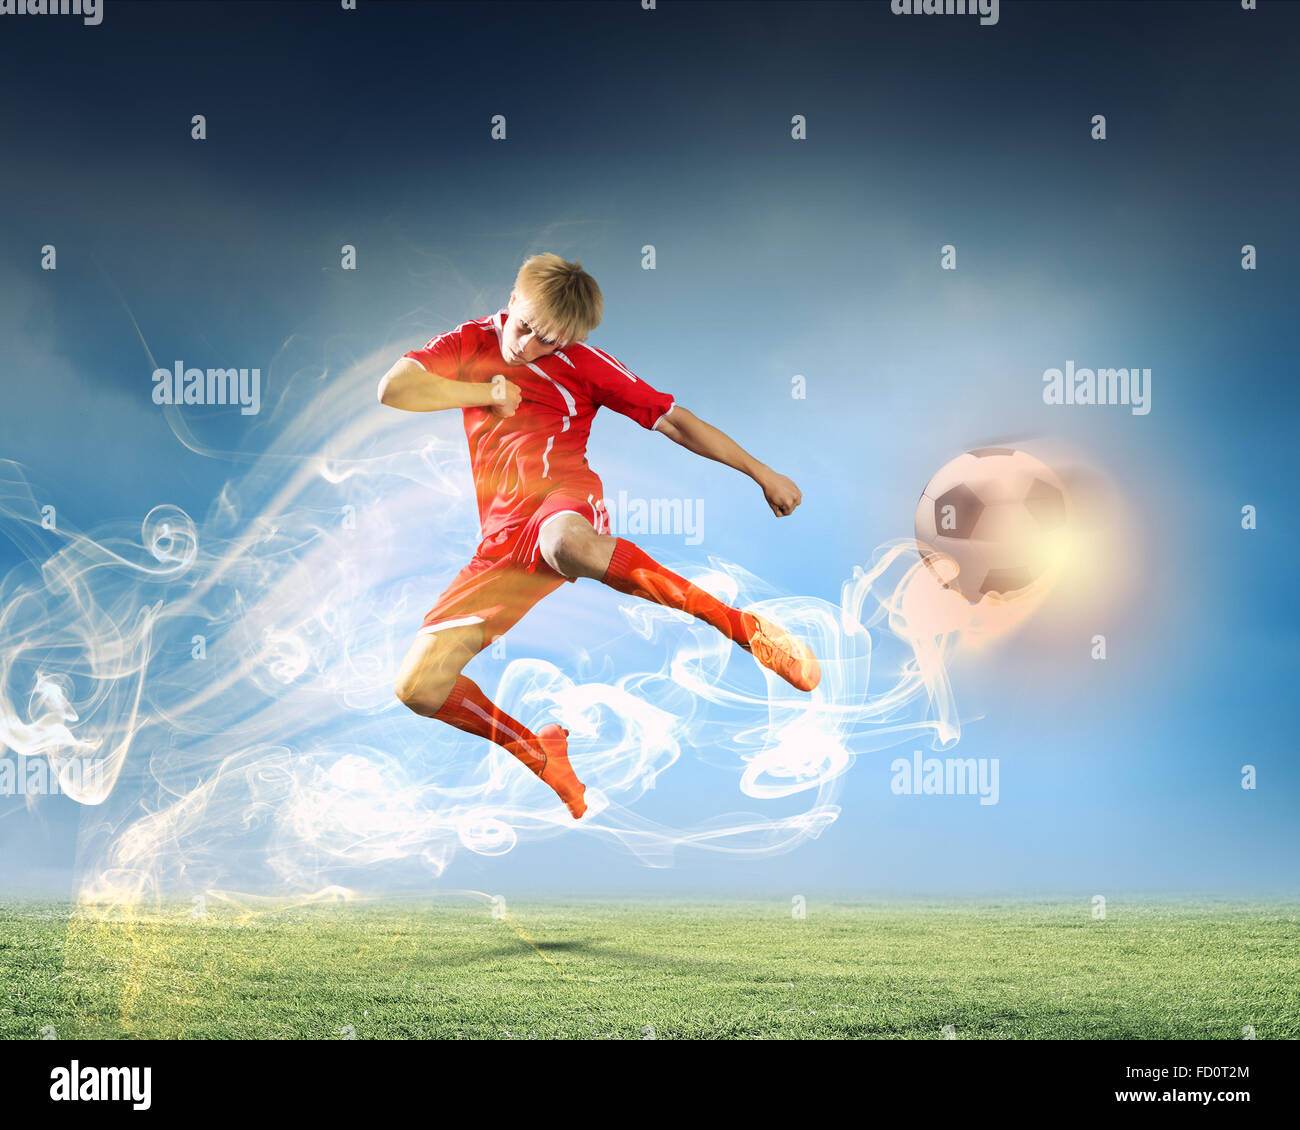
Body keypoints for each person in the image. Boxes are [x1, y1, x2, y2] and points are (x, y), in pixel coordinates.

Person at [378, 254, 820, 819]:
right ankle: (540, 754)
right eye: (526, 329)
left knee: (566, 543)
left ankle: (744, 628)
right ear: (512, 301)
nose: (531, 347)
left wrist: (763, 473)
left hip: (563, 503)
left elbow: (677, 420)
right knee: (418, 686)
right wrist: (484, 394)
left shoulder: (583, 363)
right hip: (500, 542)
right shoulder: (469, 342)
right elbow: (395, 388)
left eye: (550, 343)